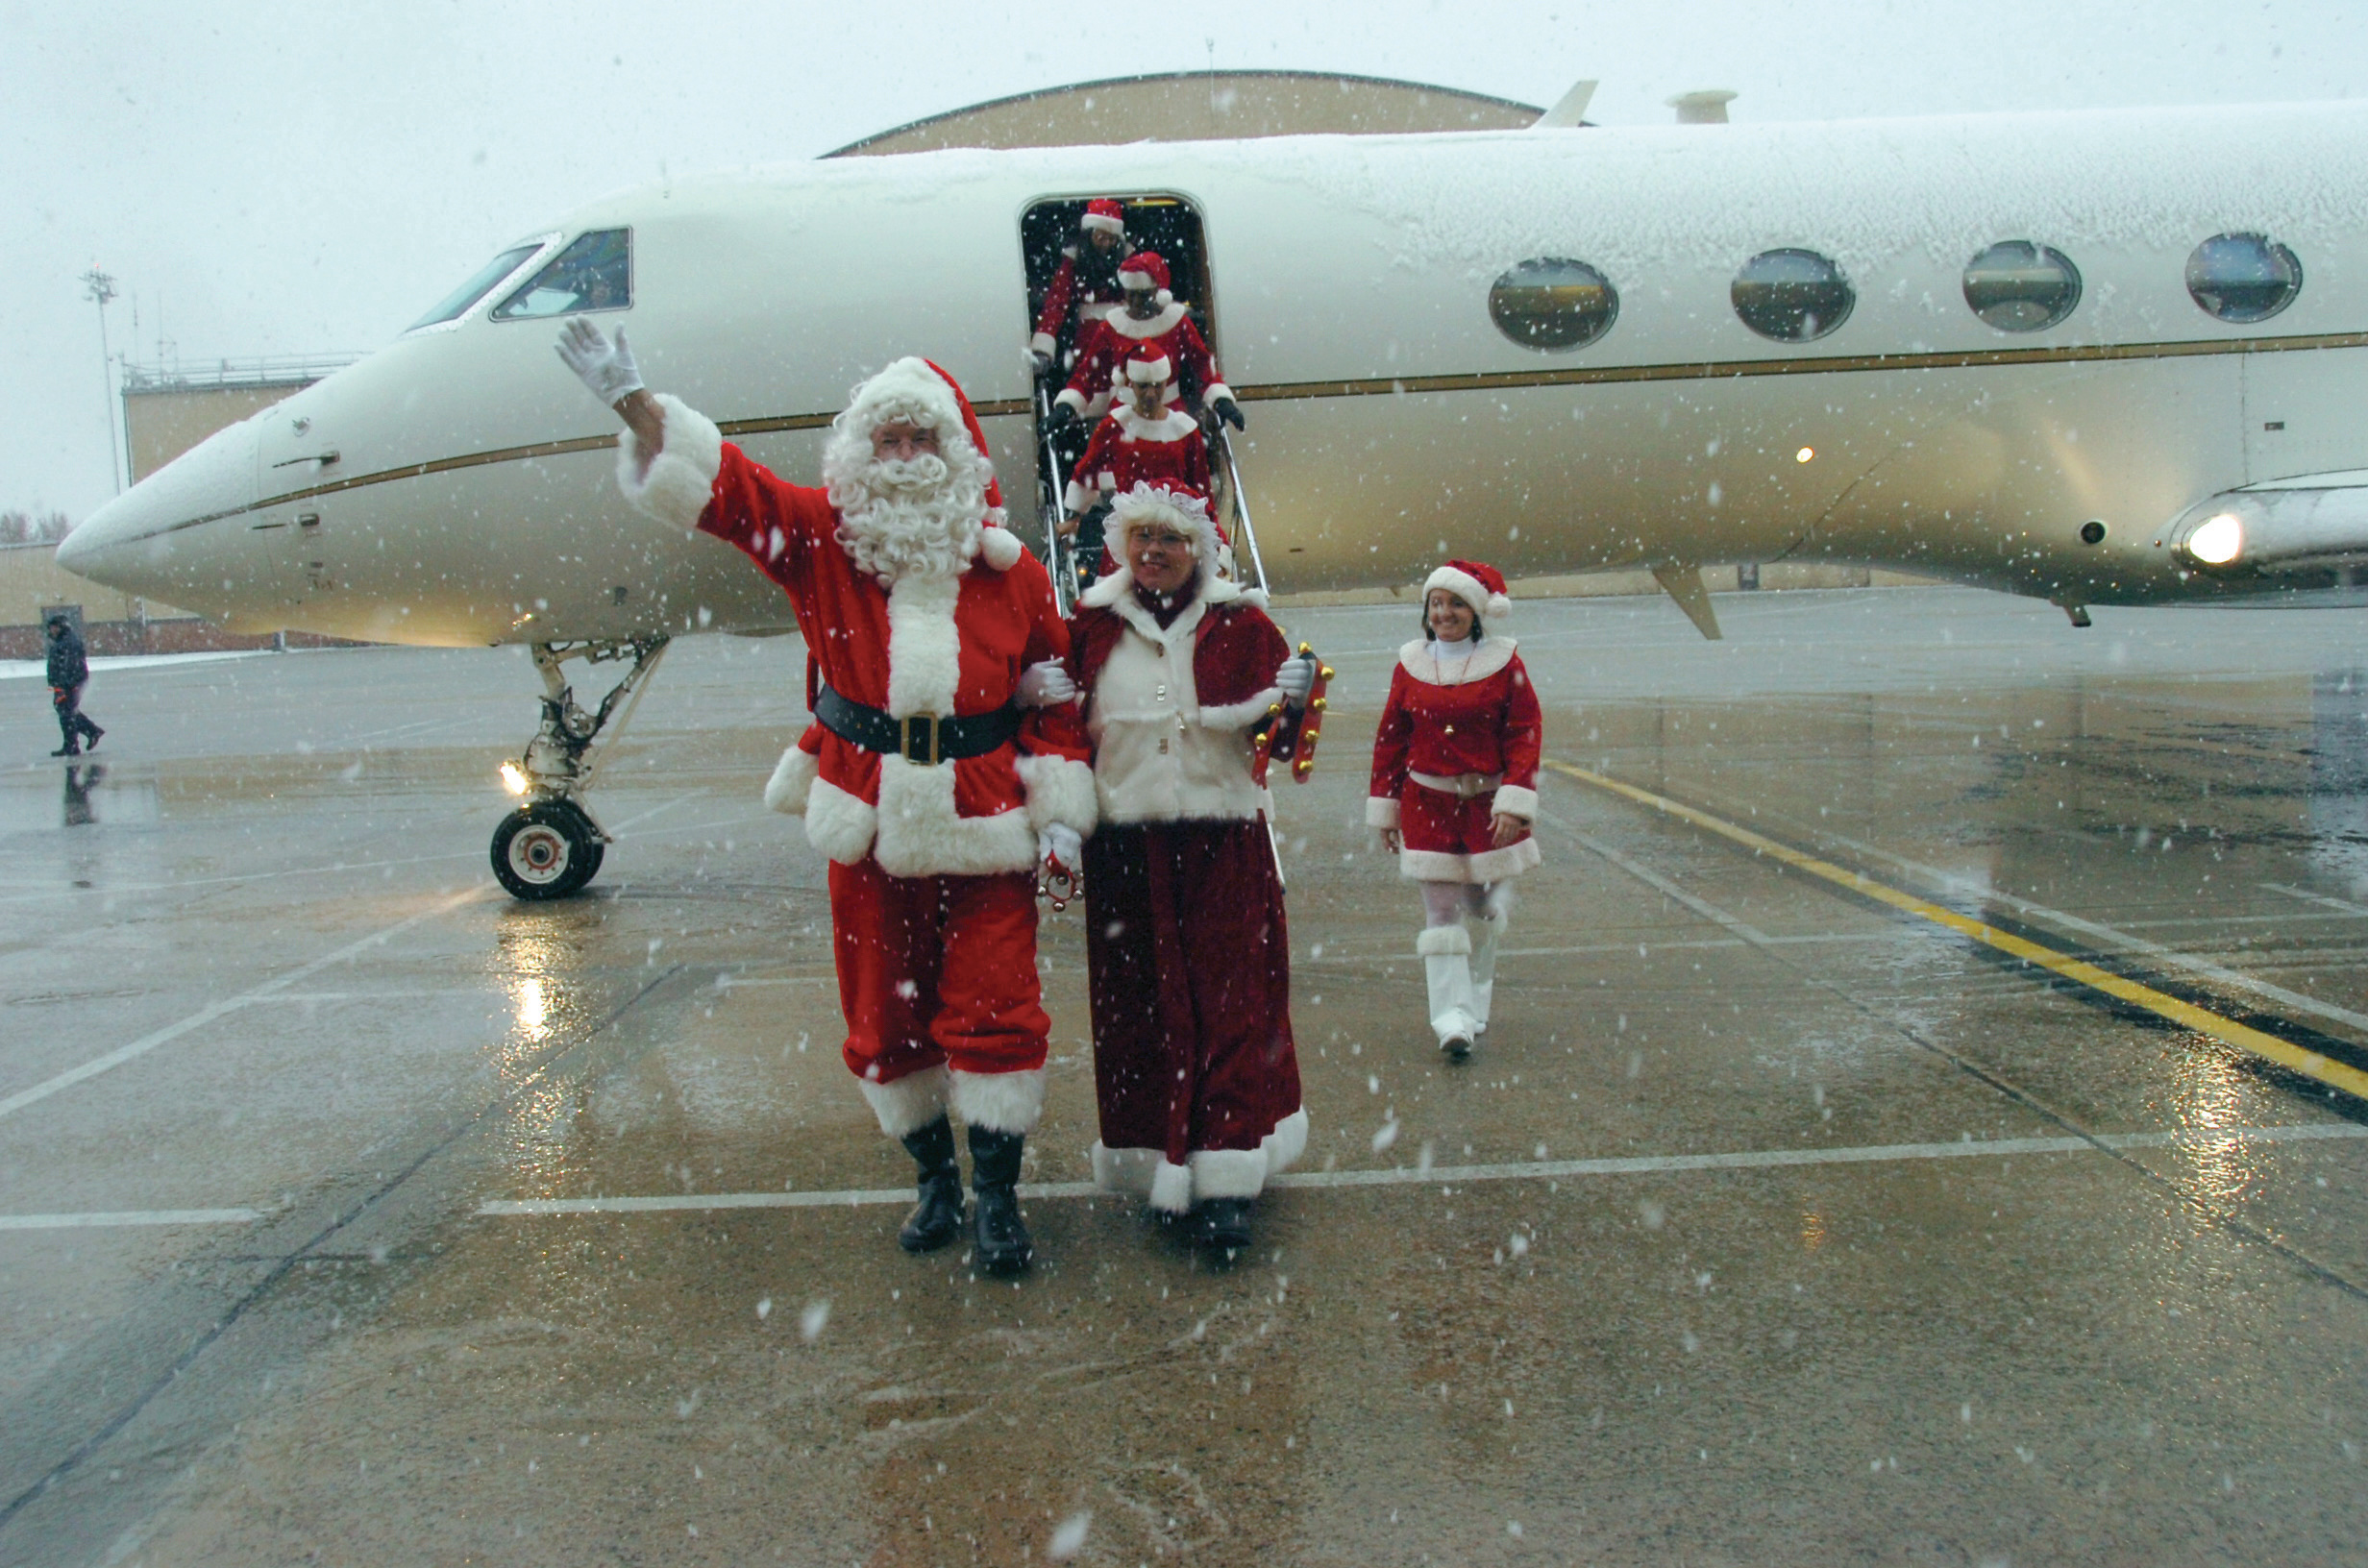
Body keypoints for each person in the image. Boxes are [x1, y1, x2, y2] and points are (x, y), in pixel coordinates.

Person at [556, 320, 1098, 1276]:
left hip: (984, 820)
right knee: (883, 1019)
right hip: (867, 815)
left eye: (921, 439)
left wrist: (1059, 809)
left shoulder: (1012, 573)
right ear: (861, 453)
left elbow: (1054, 694)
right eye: (888, 440)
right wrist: (633, 404)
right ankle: (936, 1182)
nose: (905, 458)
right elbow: (731, 494)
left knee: (999, 1008)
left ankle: (999, 1201)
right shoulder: (822, 542)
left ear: (955, 455)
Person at [1066, 484, 1312, 1256]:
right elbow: (1060, 731)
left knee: (1233, 1002)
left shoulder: (1244, 624)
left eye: (1169, 541)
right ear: (1122, 546)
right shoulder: (1092, 627)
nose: (1153, 554)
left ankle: (1227, 1175)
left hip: (1222, 838)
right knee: (1138, 1009)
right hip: (1124, 845)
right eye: (1141, 539)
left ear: (1198, 549)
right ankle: (1159, 1160)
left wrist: (1297, 702)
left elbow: (1281, 746)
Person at [1365, 559, 1542, 1061]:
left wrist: (1514, 801)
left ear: (1477, 613)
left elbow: (1524, 734)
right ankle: (1451, 1019)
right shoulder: (1410, 665)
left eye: (1457, 604)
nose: (1444, 613)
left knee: (1481, 907)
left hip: (1488, 808)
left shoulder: (1505, 665)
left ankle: (1475, 997)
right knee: (1441, 912)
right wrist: (1386, 808)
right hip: (1426, 804)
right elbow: (1391, 739)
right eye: (1437, 603)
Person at [1060, 345, 1216, 582]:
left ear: (1166, 383)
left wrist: (1216, 541)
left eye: (1157, 386)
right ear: (1130, 384)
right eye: (1143, 386)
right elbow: (1087, 471)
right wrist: (1074, 516)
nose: (1151, 394)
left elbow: (1201, 489)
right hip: (1130, 531)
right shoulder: (1114, 426)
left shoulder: (1185, 430)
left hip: (1175, 531)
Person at [1048, 252, 1243, 434]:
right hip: (1124, 419)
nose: (1135, 301)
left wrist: (1221, 400)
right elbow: (1088, 374)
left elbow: (1203, 365)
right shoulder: (1111, 327)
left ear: (1158, 292)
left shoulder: (1178, 324)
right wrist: (1067, 407)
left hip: (1170, 416)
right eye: (1130, 294)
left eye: (1142, 295)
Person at [1028, 198, 1130, 377]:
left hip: (1125, 337)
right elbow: (1056, 304)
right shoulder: (1073, 263)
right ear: (1089, 235)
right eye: (1100, 237)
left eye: (1111, 239)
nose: (1106, 244)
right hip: (1088, 342)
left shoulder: (1130, 261)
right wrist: (1043, 347)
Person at [45, 614, 103, 757]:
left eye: (54, 627)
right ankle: (85, 736)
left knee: (67, 712)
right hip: (65, 683)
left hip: (69, 684)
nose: (51, 630)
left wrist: (64, 685)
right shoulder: (63, 641)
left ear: (61, 627)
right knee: (67, 712)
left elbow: (69, 665)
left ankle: (75, 743)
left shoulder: (68, 642)